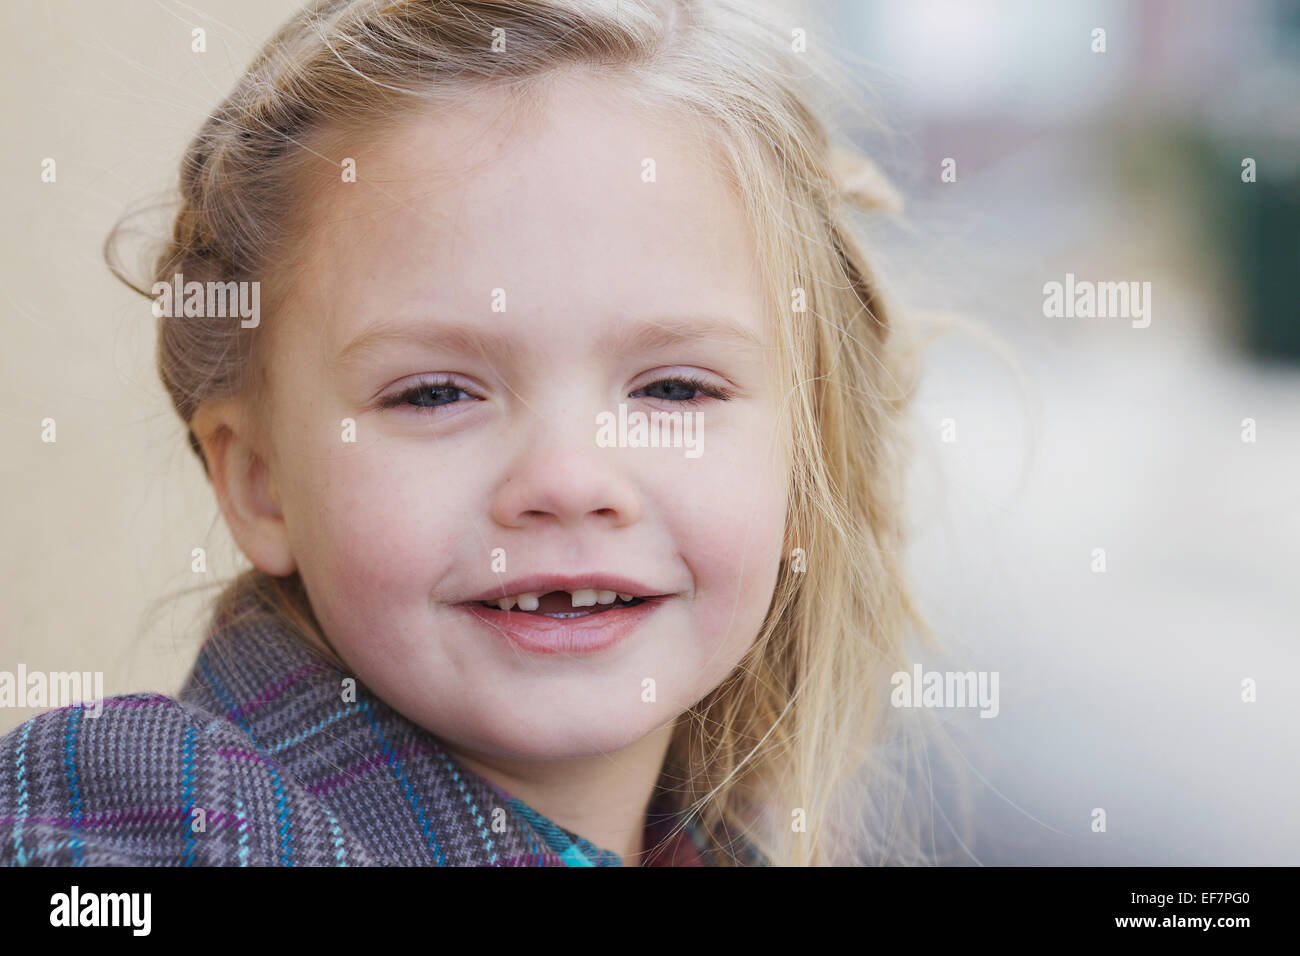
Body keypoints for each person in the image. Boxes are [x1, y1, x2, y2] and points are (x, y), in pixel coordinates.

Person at [0, 0, 931, 866]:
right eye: (436, 393)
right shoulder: (146, 817)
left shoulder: (731, 840)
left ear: (806, 465)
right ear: (258, 481)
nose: (568, 478)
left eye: (677, 388)